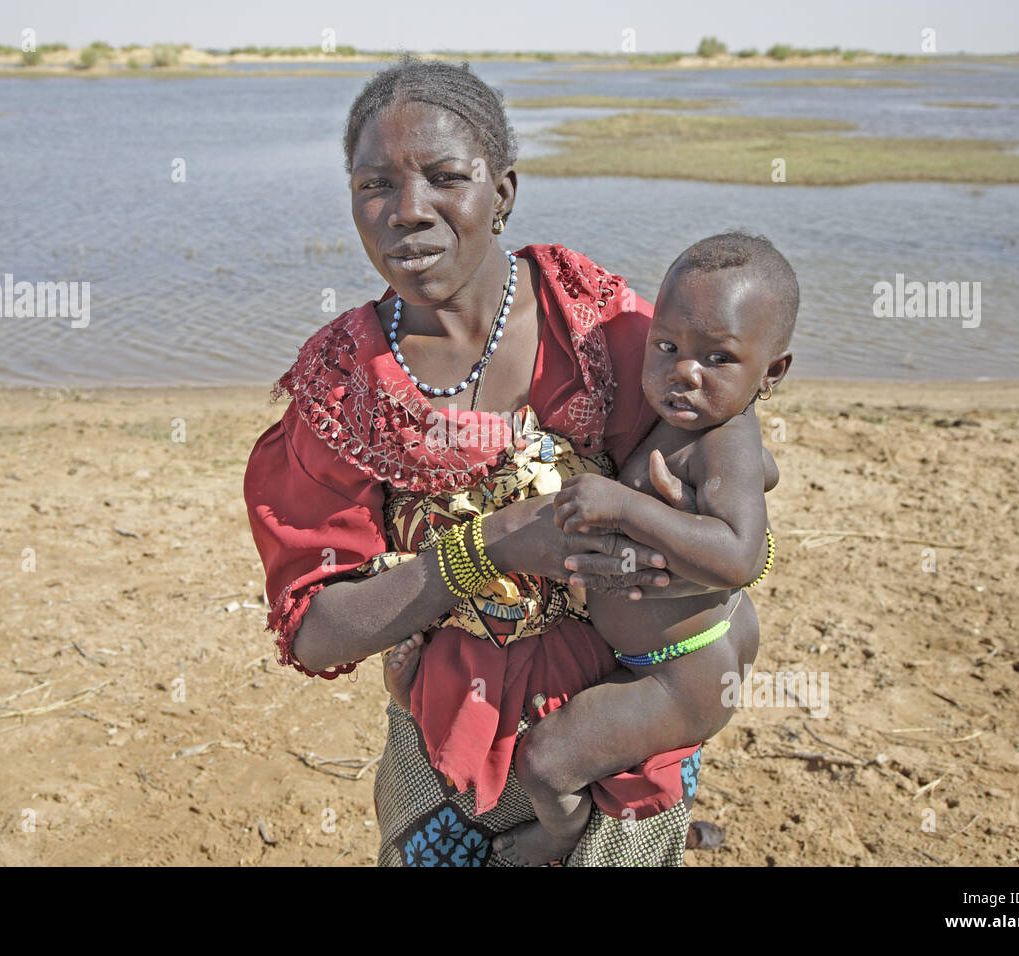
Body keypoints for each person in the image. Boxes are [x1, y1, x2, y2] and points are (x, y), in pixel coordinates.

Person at [244, 56, 774, 866]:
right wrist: (486, 550)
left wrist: (727, 575)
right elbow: (317, 634)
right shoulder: (340, 391)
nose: (408, 212)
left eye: (445, 177)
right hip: (445, 742)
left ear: (505, 193)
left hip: (620, 730)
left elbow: (737, 506)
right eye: (373, 185)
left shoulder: (608, 335)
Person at [485, 232, 796, 865]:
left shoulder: (723, 438)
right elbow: (756, 480)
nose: (685, 371)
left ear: (773, 372)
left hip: (682, 673)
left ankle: (560, 837)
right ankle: (650, 809)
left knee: (546, 761)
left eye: (719, 358)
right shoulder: (701, 421)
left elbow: (739, 554)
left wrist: (629, 507)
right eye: (667, 346)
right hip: (688, 647)